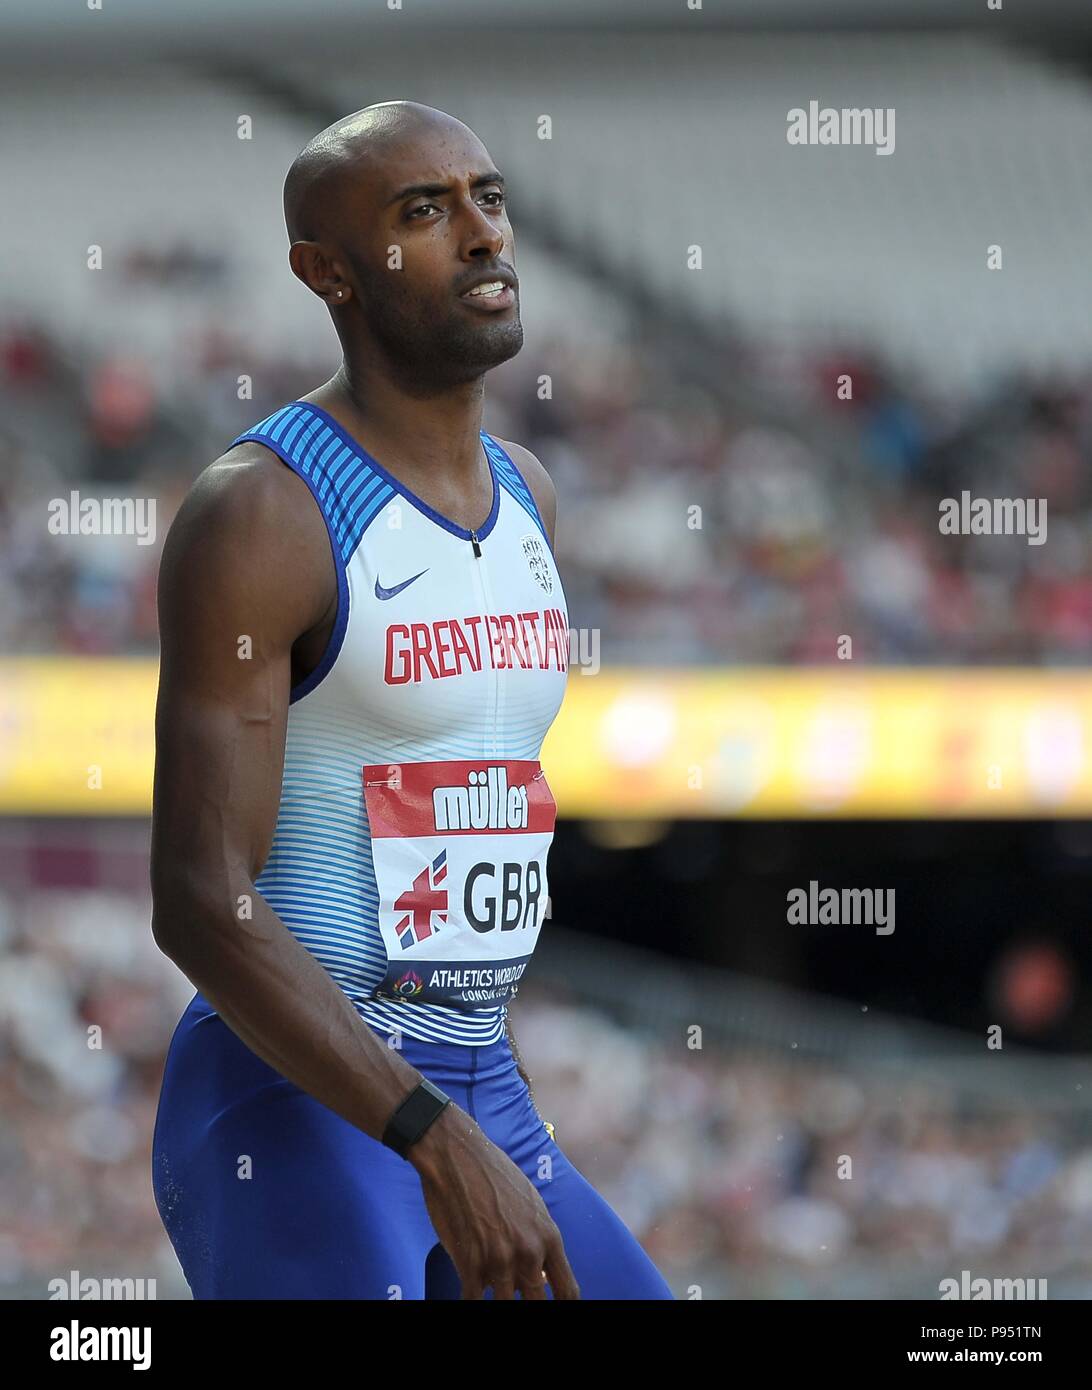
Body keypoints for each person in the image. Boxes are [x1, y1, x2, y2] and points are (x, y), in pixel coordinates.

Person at [150, 100, 673, 1301]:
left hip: (476, 1080)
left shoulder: (530, 497)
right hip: (294, 1098)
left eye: (488, 197)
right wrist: (428, 1134)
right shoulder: (265, 513)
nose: (483, 234)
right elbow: (198, 896)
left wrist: (461, 1112)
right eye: (423, 212)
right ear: (325, 270)